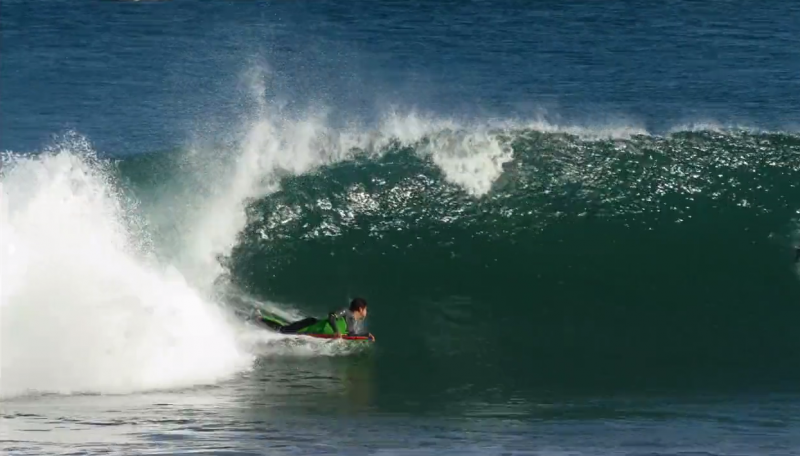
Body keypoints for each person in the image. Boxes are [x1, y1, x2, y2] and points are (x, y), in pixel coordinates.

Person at [272, 297, 375, 341]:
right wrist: (336, 331)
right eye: (366, 309)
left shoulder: (352, 323)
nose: (366, 311)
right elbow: (332, 316)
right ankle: (261, 319)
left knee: (283, 330)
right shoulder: (346, 312)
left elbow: (351, 335)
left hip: (314, 329)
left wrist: (366, 335)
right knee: (281, 330)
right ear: (361, 309)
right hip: (310, 325)